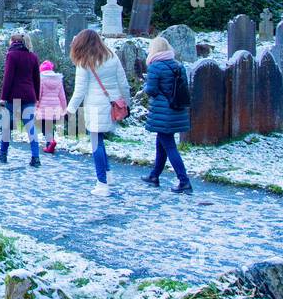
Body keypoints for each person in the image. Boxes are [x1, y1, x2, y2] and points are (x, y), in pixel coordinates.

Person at [66, 29, 131, 197]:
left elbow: (79, 91)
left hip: (95, 107)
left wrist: (70, 109)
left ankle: (102, 184)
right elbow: (123, 83)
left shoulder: (84, 62)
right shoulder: (112, 56)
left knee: (96, 145)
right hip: (111, 106)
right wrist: (126, 104)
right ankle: (108, 175)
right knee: (100, 142)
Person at [142, 36, 193, 193]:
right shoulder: (178, 66)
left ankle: (184, 181)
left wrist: (145, 87)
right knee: (162, 142)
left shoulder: (155, 67)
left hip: (163, 111)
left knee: (169, 145)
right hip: (177, 109)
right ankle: (154, 175)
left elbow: (151, 90)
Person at [0, 31, 42, 167]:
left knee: (6, 126)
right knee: (31, 128)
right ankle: (35, 158)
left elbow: (8, 78)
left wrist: (3, 97)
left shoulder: (11, 55)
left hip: (13, 97)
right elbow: (36, 79)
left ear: (13, 42)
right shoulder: (33, 56)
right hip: (29, 96)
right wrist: (37, 96)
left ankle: (3, 154)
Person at [35, 59, 68, 154]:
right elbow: (62, 95)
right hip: (55, 107)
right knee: (49, 125)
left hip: (43, 107)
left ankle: (50, 142)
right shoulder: (58, 80)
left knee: (43, 126)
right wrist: (64, 108)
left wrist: (36, 105)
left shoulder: (41, 79)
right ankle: (50, 144)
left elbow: (38, 95)